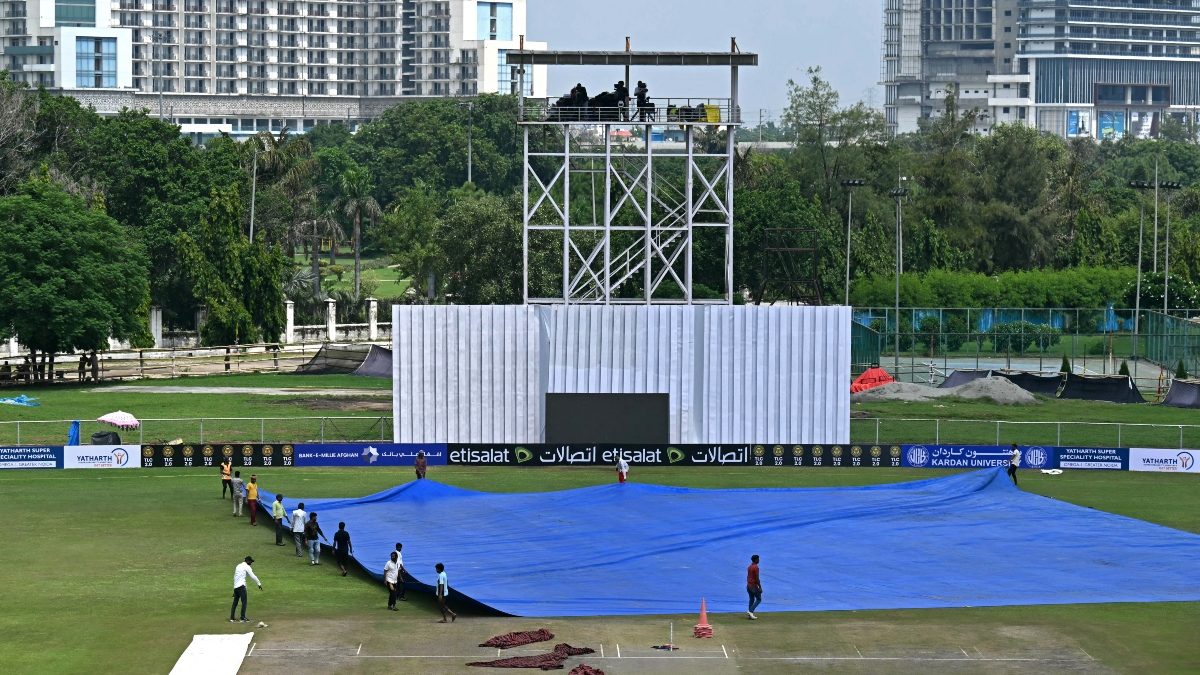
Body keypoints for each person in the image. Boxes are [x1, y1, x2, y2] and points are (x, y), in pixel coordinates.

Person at [230, 556, 262, 623]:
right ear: (247, 561)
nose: (251, 563)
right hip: (241, 587)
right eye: (251, 561)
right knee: (244, 602)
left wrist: (234, 588)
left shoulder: (238, 566)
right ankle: (242, 618)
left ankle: (232, 618)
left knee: (235, 603)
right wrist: (259, 583)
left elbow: (235, 577)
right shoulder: (247, 567)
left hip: (236, 587)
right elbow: (253, 576)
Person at [746, 554, 762, 620]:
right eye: (758, 559)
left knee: (751, 599)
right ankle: (750, 611)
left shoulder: (749, 567)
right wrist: (760, 587)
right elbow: (757, 578)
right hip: (753, 586)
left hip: (748, 585)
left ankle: (750, 615)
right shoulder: (756, 567)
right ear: (755, 560)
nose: (759, 560)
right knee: (759, 599)